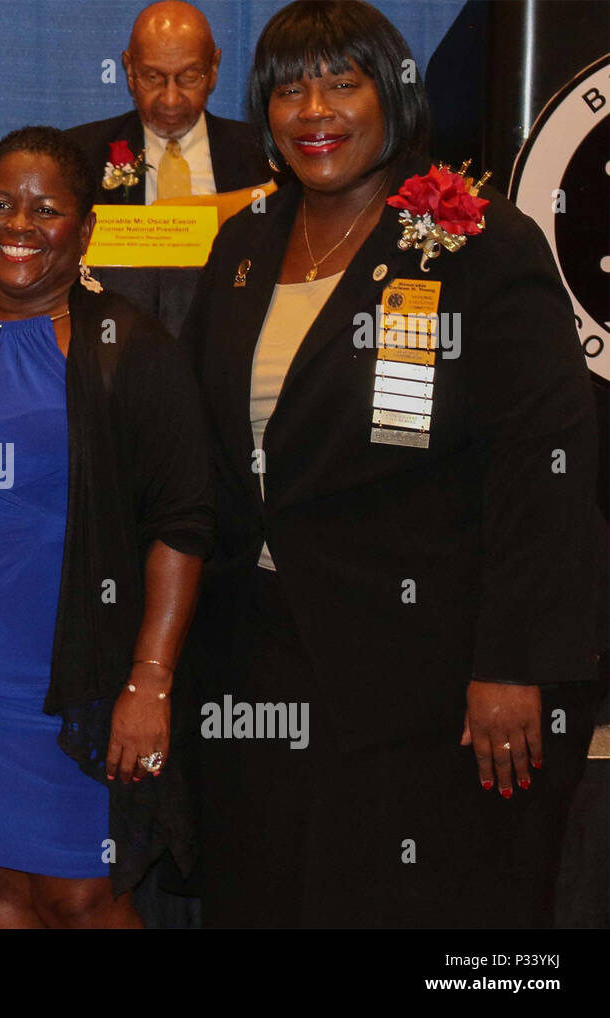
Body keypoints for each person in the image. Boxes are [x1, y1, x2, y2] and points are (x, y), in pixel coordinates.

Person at [183, 0, 606, 927]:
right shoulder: (246, 243)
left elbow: (545, 470)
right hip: (262, 659)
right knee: (270, 894)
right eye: (289, 88)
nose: (313, 110)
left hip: (428, 672)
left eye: (343, 81)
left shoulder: (475, 242)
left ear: (396, 93)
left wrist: (514, 665)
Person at [0, 126, 212, 928]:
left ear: (85, 229)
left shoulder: (128, 345)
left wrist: (150, 680)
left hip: (73, 677)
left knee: (82, 894)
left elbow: (184, 521)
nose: (18, 226)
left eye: (45, 209)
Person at [65, 0, 270, 205]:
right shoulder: (81, 156)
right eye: (152, 77)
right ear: (129, 70)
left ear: (213, 69)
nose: (170, 100)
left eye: (189, 77)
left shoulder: (262, 154)